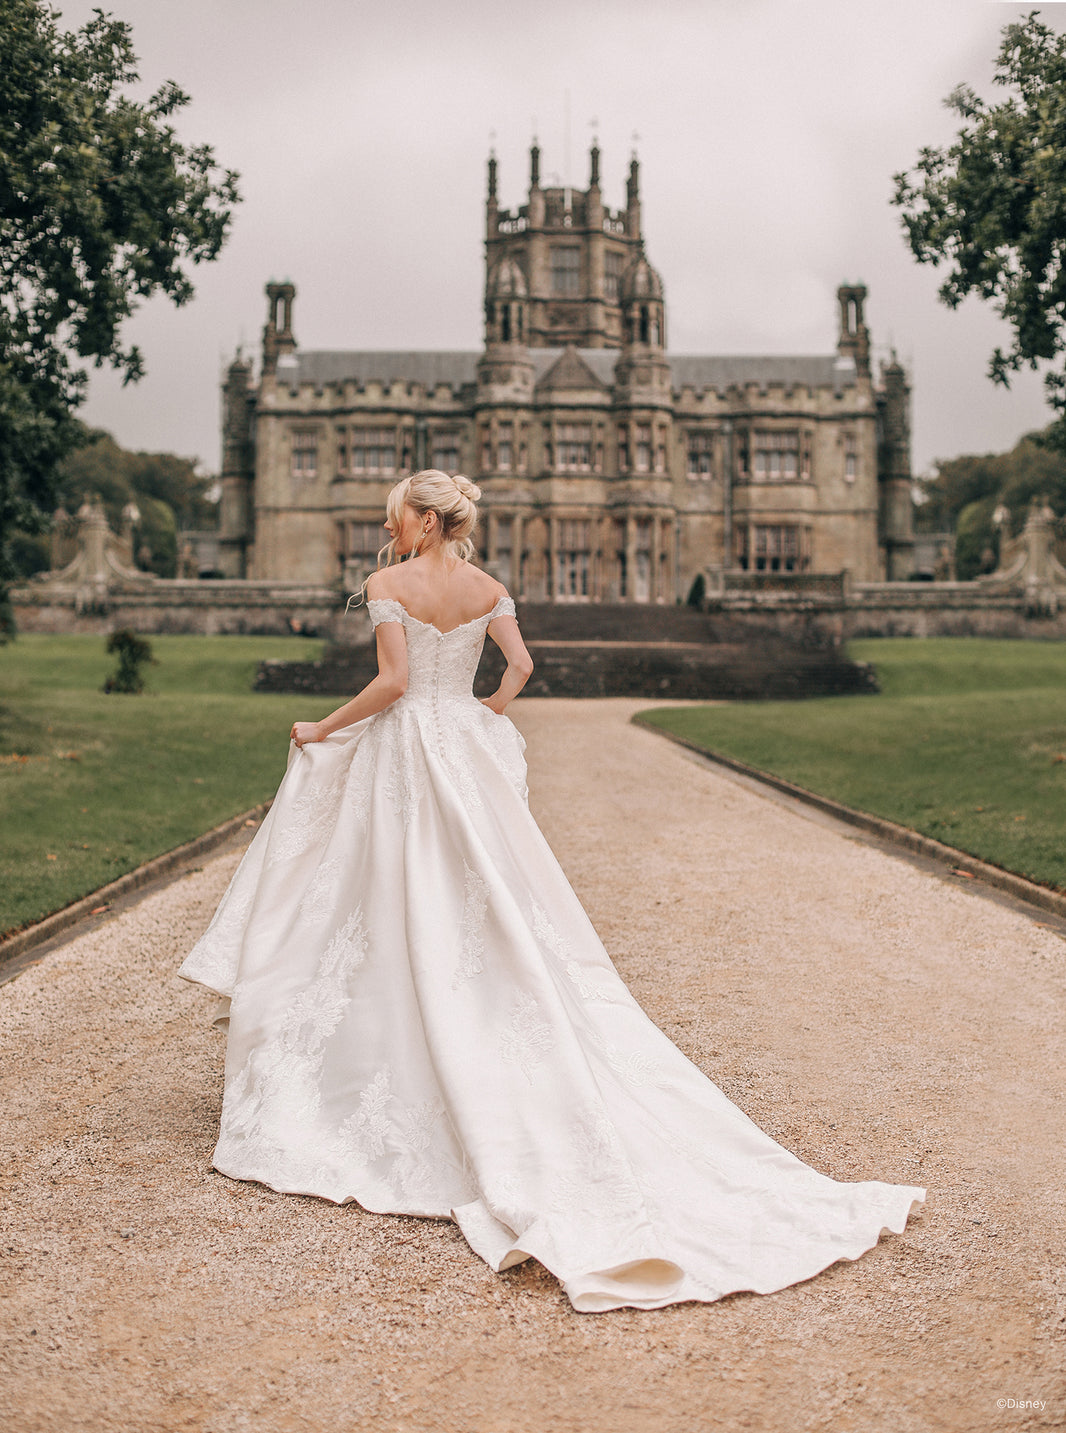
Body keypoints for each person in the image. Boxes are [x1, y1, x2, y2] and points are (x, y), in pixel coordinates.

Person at [179, 469, 924, 1314]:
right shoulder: (491, 585)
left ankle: (389, 1034)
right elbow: (522, 665)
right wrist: (487, 709)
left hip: (407, 746)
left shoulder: (388, 586)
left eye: (395, 519)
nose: (386, 533)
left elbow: (391, 685)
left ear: (426, 521)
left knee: (381, 889)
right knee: (482, 888)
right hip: (460, 739)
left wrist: (321, 726)